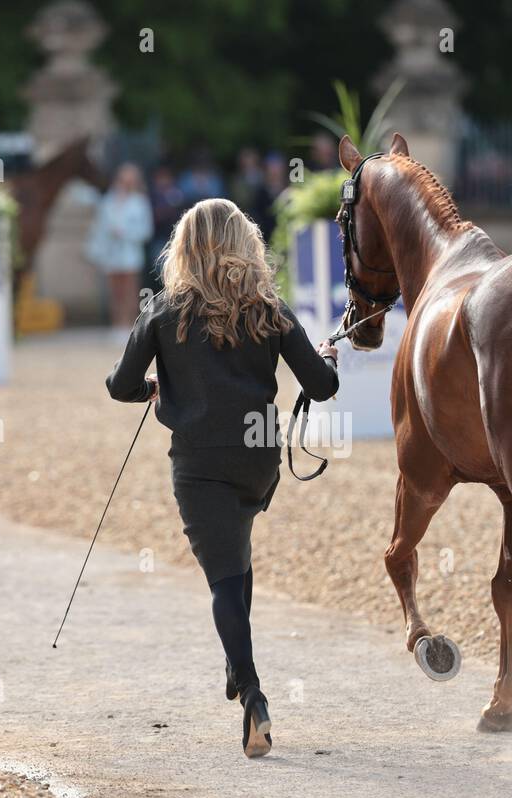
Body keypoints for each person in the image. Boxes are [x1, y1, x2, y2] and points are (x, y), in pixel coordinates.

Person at [105, 198, 339, 758]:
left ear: (184, 247)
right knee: (237, 558)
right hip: (259, 459)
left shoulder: (165, 312)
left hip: (200, 463)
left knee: (224, 581)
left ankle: (253, 696)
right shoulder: (269, 308)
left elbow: (120, 385)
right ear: (244, 244)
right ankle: (237, 669)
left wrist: (153, 391)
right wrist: (326, 357)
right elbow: (322, 387)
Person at [87, 162, 153, 329]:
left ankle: (131, 324)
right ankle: (117, 324)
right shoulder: (109, 201)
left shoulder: (140, 202)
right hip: (111, 253)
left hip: (130, 253)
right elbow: (100, 227)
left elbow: (146, 230)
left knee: (130, 291)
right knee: (115, 292)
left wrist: (125, 233)